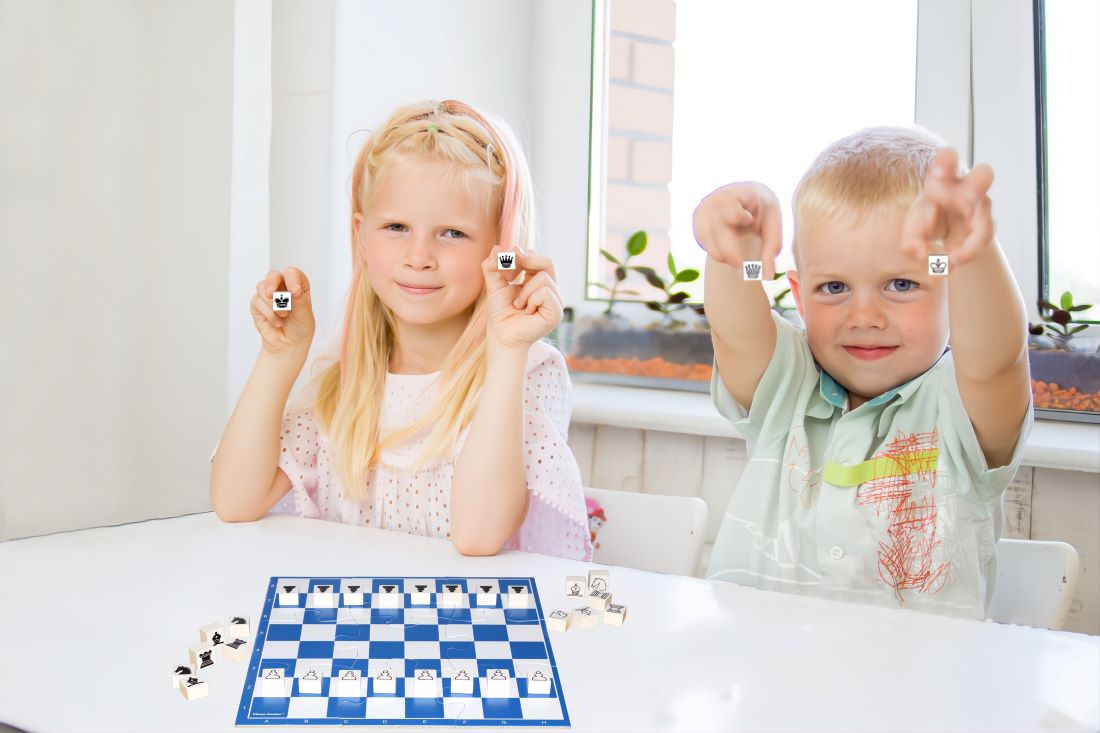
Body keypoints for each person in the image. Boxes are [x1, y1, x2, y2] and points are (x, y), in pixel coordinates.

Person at [210, 100, 593, 561]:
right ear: (362, 238)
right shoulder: (340, 373)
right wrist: (280, 357)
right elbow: (234, 501)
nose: (419, 256)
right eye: (396, 227)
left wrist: (507, 347)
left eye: (452, 233)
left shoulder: (529, 370)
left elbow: (477, 536)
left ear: (501, 251)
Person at [695, 126, 1033, 618]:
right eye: (833, 288)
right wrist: (739, 252)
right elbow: (735, 330)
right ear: (799, 293)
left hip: (913, 690)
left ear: (951, 285)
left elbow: (1000, 358)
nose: (865, 316)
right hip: (764, 681)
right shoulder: (788, 391)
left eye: (901, 283)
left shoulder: (960, 409)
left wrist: (973, 250)